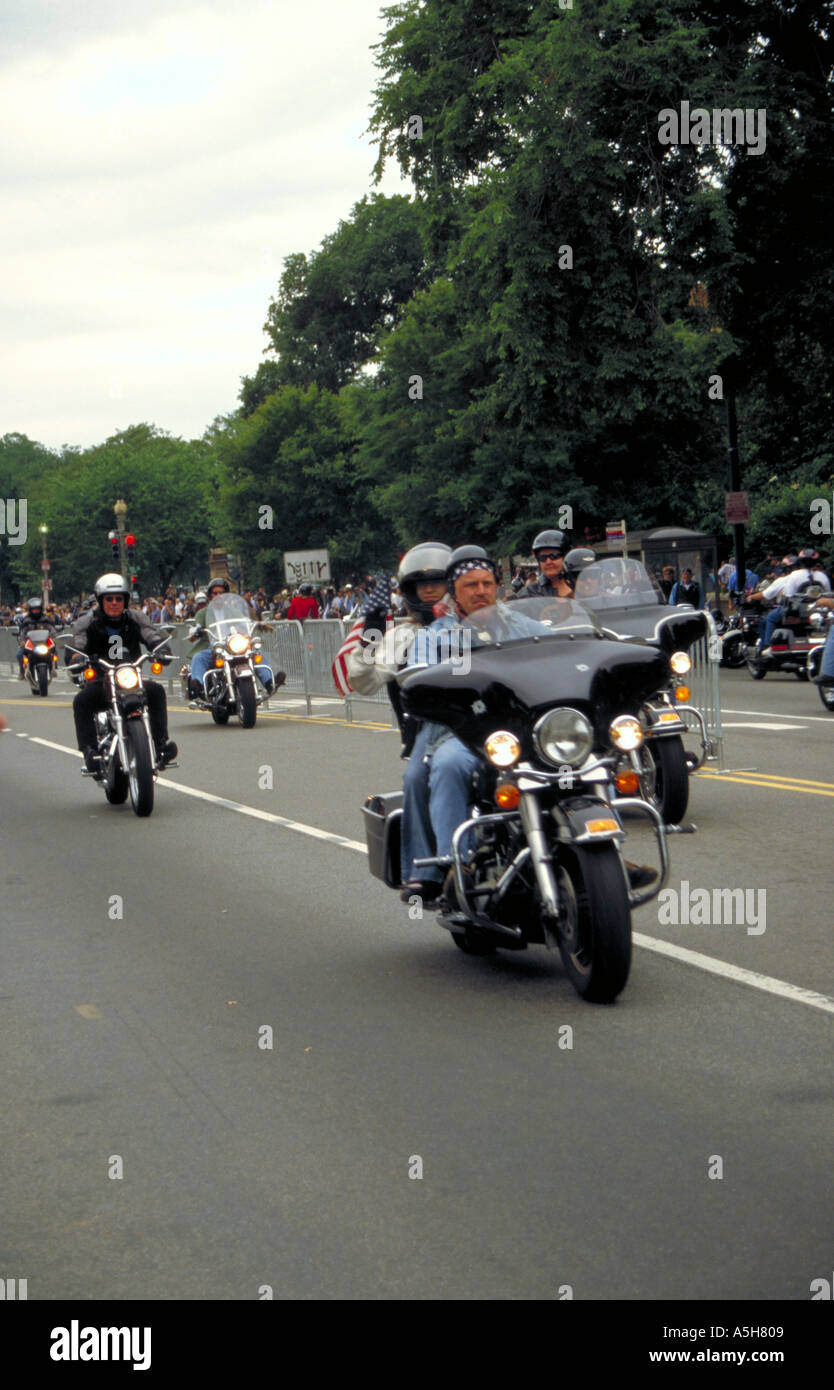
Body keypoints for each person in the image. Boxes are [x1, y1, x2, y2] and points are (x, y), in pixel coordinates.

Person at [70, 573, 177, 773]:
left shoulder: (136, 618)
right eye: (109, 599)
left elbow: (150, 634)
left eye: (119, 598)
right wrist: (77, 657)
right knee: (81, 701)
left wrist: (160, 648)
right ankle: (89, 750)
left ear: (125, 600)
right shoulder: (88, 621)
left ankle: (161, 744)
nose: (114, 603)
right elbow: (78, 641)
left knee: (156, 691)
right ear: (100, 600)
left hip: (130, 679)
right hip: (103, 680)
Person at [185, 578, 283, 698]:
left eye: (221, 593)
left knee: (256, 653)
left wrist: (258, 624)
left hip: (232, 645)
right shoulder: (203, 612)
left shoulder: (232, 610)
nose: (218, 595)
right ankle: (198, 686)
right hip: (215, 647)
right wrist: (195, 631)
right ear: (210, 595)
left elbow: (244, 621)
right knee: (198, 657)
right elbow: (196, 626)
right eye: (215, 592)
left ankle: (269, 683)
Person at [751, 550, 830, 653]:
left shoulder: (795, 575)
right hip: (818, 612)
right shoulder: (822, 576)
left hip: (796, 612)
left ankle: (768, 646)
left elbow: (788, 596)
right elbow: (827, 595)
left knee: (770, 618)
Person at [16, 595, 62, 678]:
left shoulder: (46, 619)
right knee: (19, 654)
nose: (36, 611)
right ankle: (21, 672)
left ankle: (53, 668)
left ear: (41, 609)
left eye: (37, 609)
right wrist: (22, 641)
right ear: (30, 610)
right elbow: (22, 632)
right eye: (34, 609)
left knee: (55, 650)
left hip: (44, 643)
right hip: (30, 644)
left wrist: (53, 637)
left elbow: (52, 629)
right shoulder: (26, 620)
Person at [523, 529, 573, 598]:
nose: (548, 562)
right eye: (543, 557)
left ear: (565, 557)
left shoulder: (581, 585)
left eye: (554, 556)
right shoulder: (531, 591)